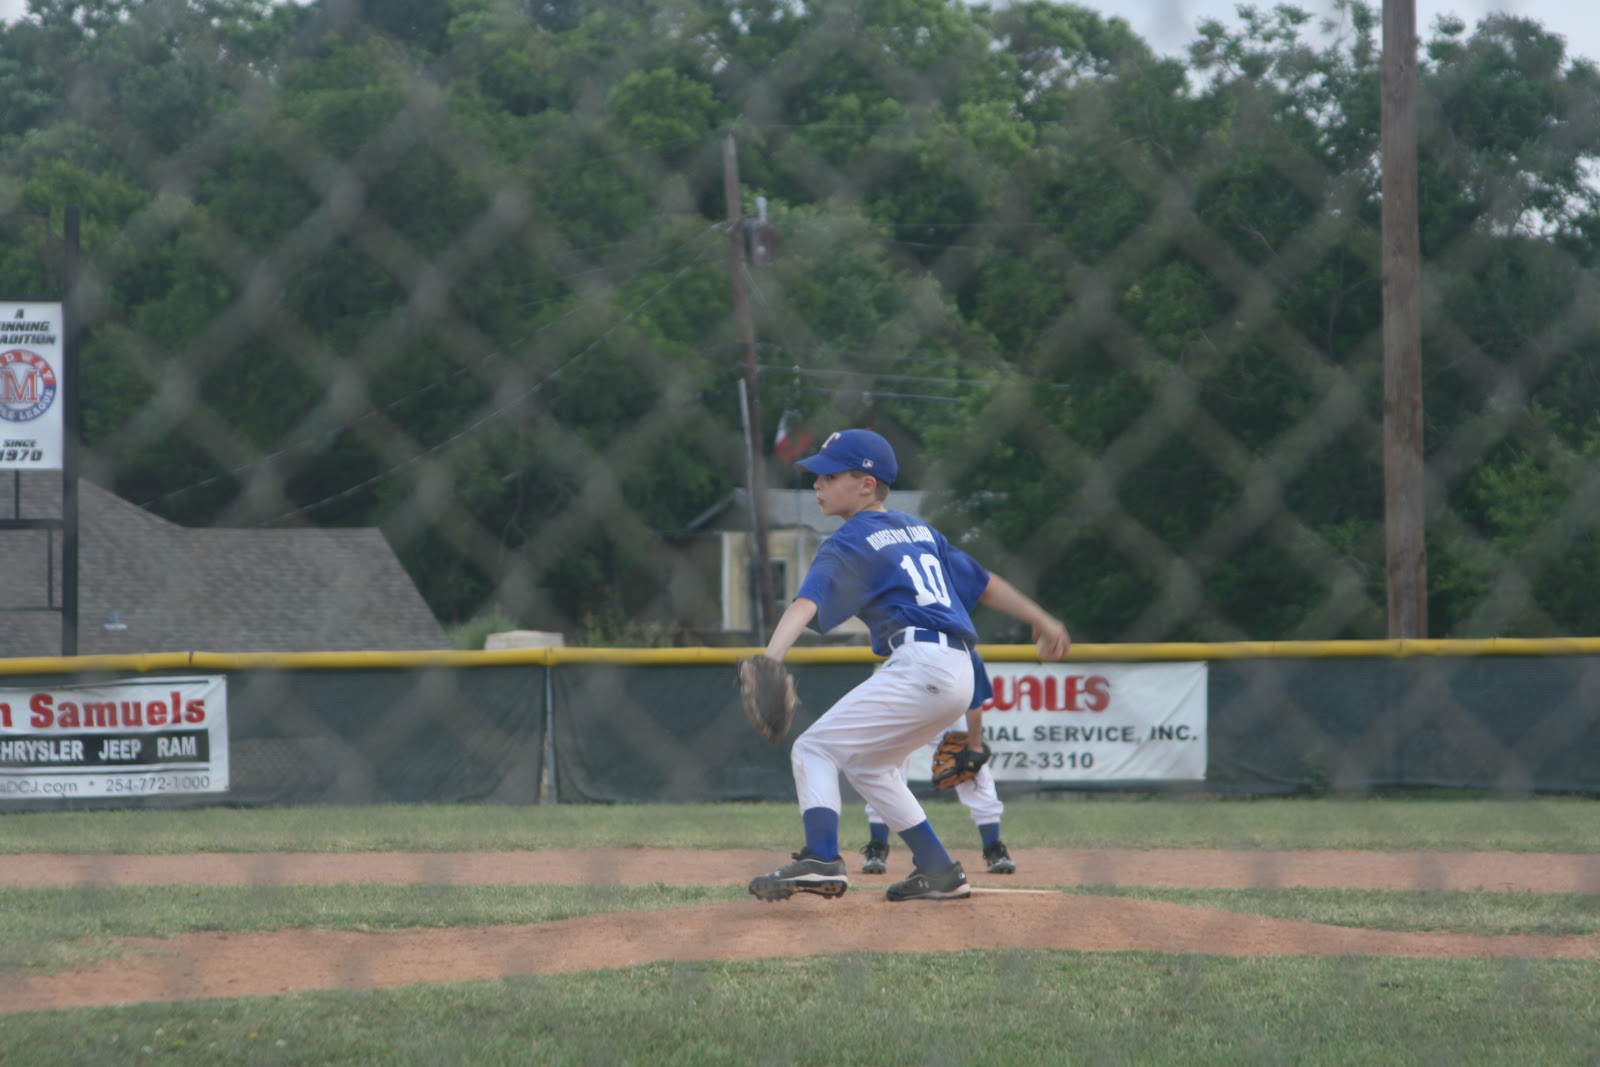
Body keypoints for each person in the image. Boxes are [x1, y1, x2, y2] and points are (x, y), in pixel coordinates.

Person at [747, 428, 1070, 903]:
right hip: (958, 669)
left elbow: (805, 604)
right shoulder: (920, 531)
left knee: (813, 749)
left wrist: (770, 659)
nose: (816, 484)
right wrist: (1040, 617)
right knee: (870, 766)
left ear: (866, 484)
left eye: (829, 475)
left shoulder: (849, 540)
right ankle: (939, 870)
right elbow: (983, 584)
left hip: (920, 665)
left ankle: (821, 857)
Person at [859, 714, 1016, 876]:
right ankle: (877, 846)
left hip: (945, 706)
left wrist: (975, 746)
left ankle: (993, 847)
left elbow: (974, 703)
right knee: (885, 769)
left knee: (972, 768)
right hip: (901, 708)